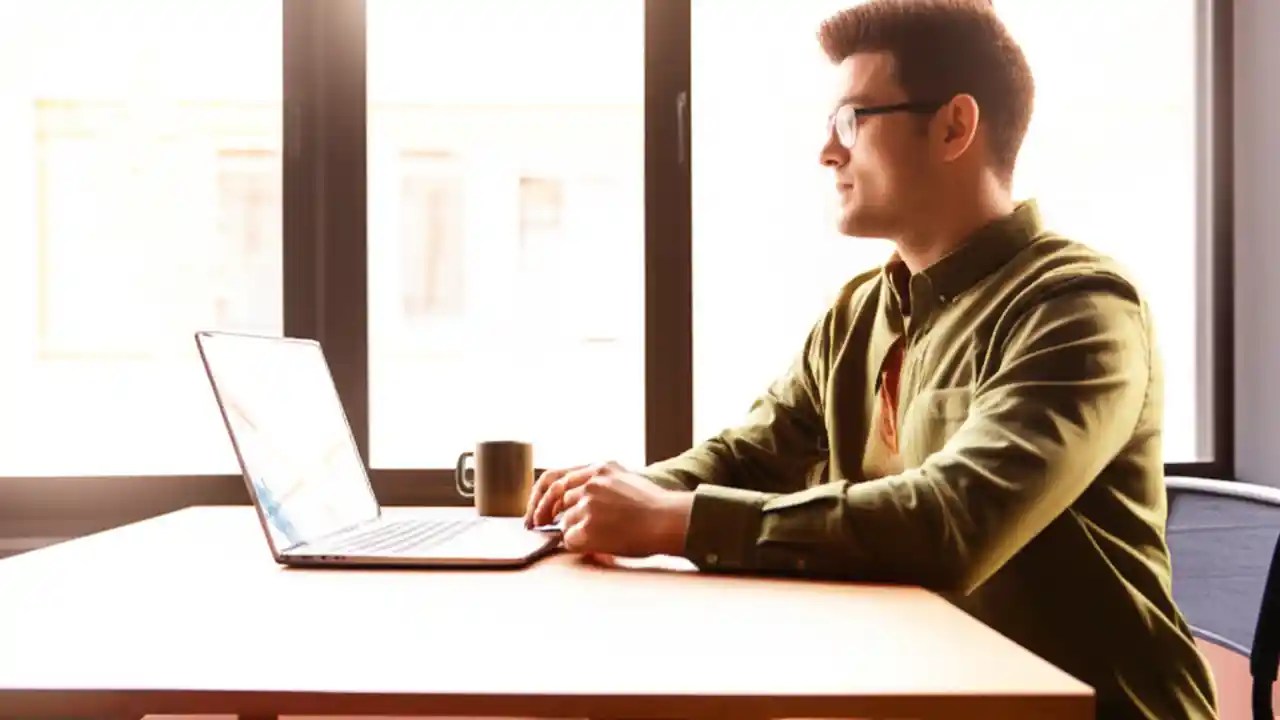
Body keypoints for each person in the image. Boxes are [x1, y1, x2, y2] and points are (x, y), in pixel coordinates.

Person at [524, 1, 1217, 717]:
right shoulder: (859, 312)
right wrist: (611, 497)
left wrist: (675, 519)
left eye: (852, 121)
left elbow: (952, 520)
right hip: (926, 694)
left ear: (954, 126)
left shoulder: (1079, 307)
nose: (827, 151)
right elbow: (749, 455)